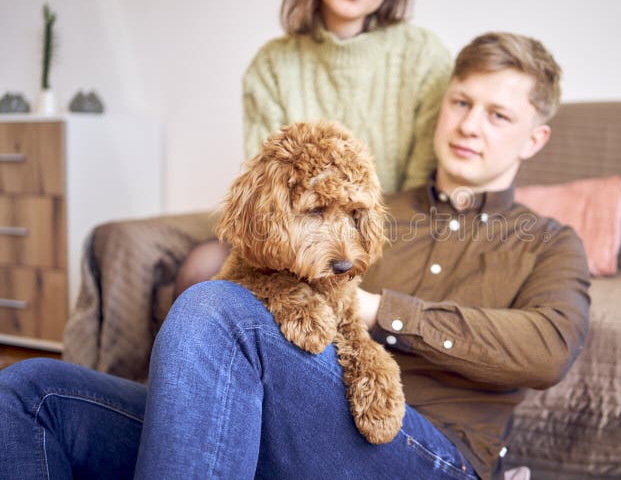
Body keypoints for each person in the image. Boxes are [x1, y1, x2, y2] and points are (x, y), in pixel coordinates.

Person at [0, 32, 590, 479]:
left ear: (533, 137)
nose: (469, 125)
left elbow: (549, 349)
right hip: (294, 413)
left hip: (430, 454)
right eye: (461, 103)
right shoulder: (362, 202)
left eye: (498, 114)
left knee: (213, 309)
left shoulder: (549, 242)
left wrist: (382, 312)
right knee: (30, 390)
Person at [174, 0, 452, 293]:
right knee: (200, 268)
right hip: (297, 236)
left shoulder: (425, 57)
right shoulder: (273, 64)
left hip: (389, 237)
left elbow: (415, 199)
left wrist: (350, 238)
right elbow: (271, 195)